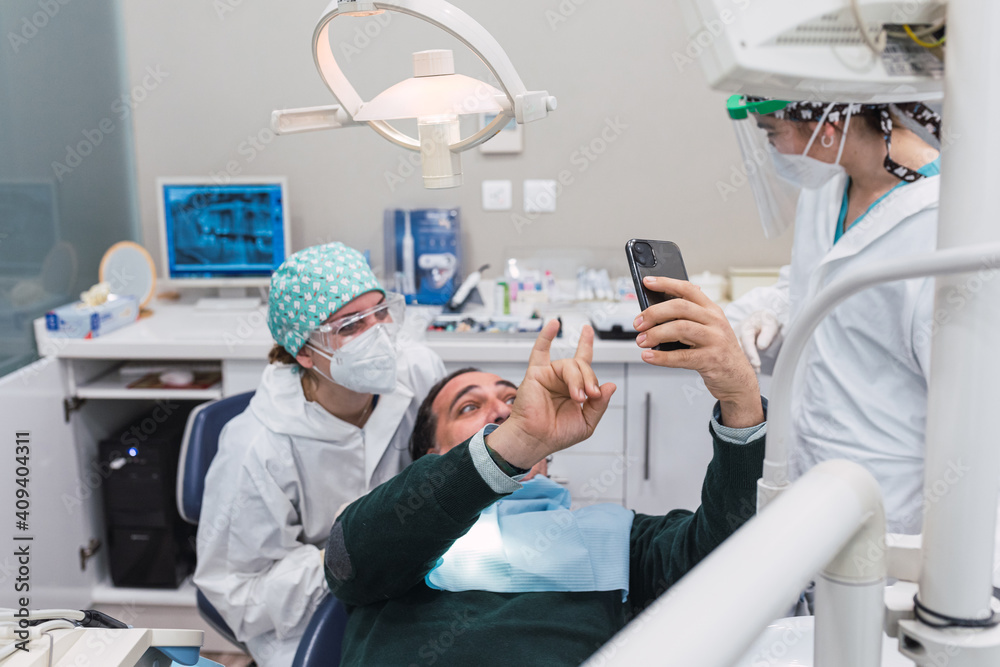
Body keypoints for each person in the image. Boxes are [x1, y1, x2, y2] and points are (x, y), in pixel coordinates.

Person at [324, 277, 767, 666]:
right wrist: (510, 442)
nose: (501, 410)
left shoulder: (614, 535)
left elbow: (729, 559)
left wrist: (741, 398)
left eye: (513, 401)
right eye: (470, 407)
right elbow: (346, 563)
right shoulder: (398, 524)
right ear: (432, 451)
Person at [194, 242, 446, 666]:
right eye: (349, 326)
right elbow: (236, 590)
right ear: (304, 352)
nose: (377, 335)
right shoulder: (257, 446)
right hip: (306, 607)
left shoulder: (418, 371)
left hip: (413, 575)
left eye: (380, 313)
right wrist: (352, 557)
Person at [724, 97, 942, 535]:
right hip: (806, 473)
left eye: (771, 132)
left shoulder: (948, 224)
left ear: (828, 124)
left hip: (893, 501)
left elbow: (976, 408)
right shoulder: (826, 190)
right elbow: (811, 290)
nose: (772, 150)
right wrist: (767, 313)